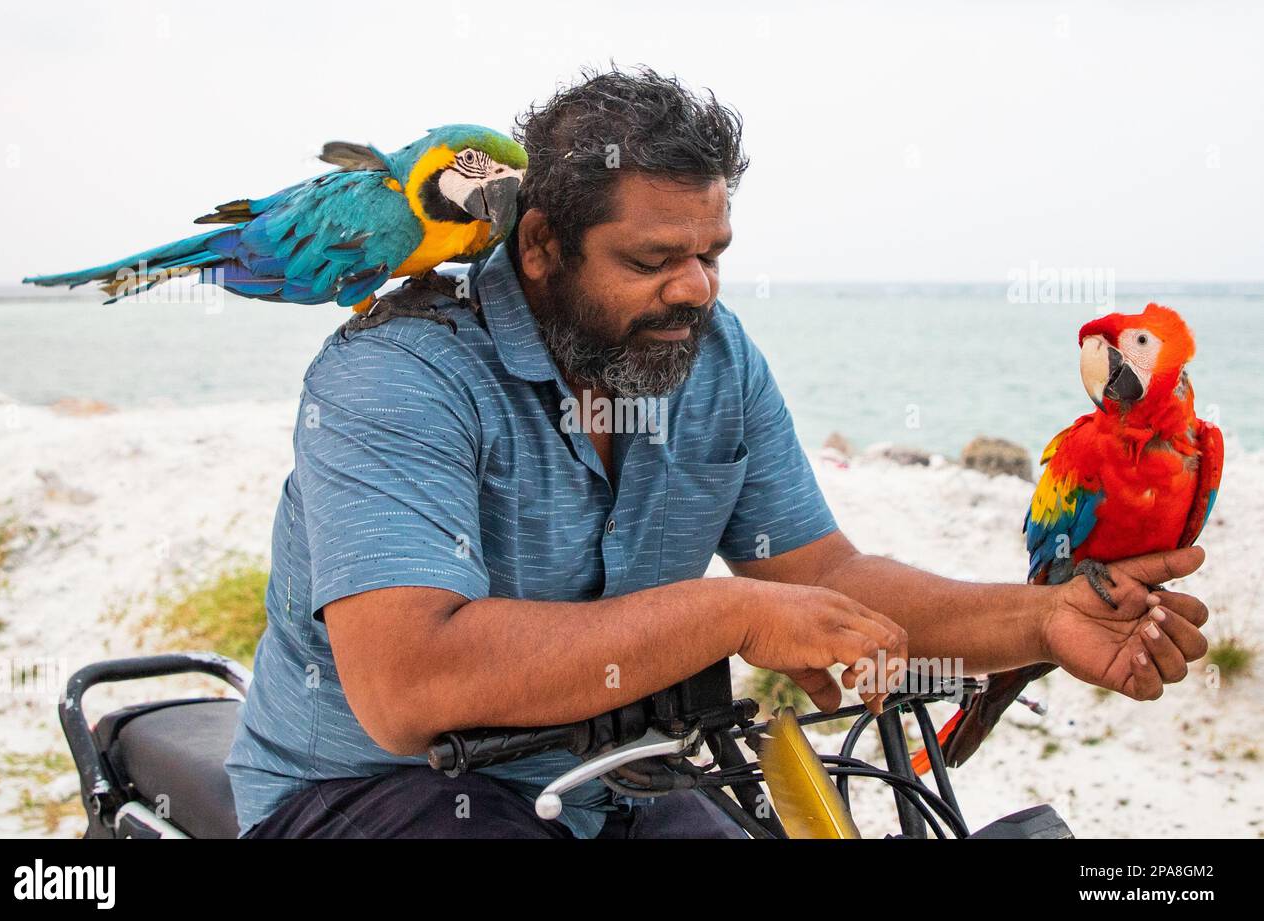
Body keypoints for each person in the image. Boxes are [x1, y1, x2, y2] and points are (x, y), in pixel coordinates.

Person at [227, 67, 1209, 839]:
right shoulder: (399, 374)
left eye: (712, 253)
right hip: (361, 792)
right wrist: (728, 611)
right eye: (652, 260)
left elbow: (826, 574)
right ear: (537, 246)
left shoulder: (712, 354)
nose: (696, 289)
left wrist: (1041, 620)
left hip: (611, 782)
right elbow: (410, 685)